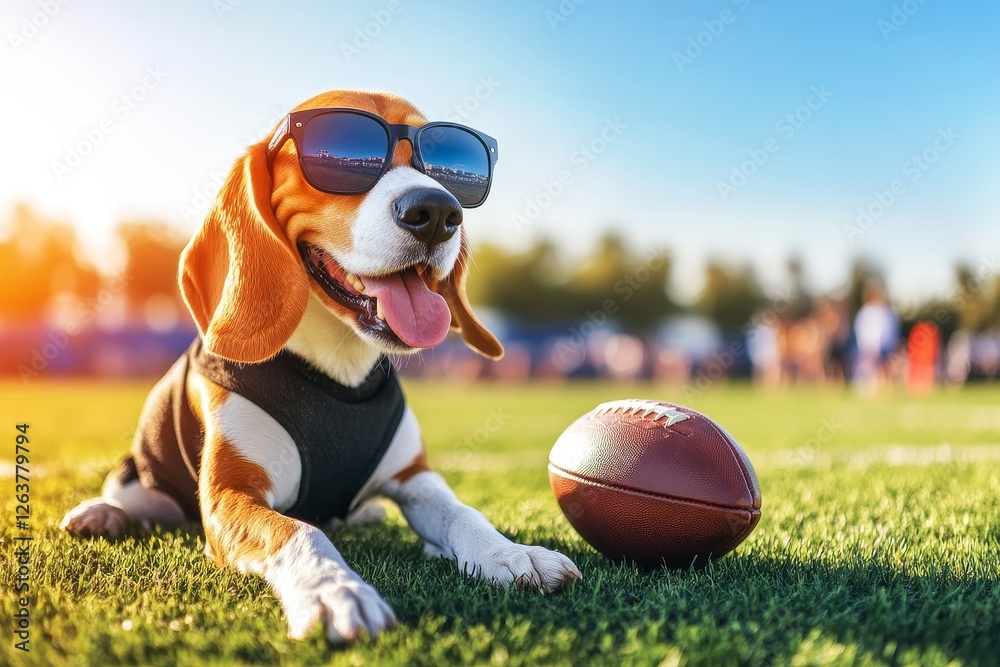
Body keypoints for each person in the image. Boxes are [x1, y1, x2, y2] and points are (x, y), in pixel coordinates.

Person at [852, 280, 899, 395]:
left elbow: (890, 329)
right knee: (875, 368)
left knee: (884, 367)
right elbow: (865, 329)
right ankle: (875, 388)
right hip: (871, 345)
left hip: (883, 344)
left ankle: (885, 389)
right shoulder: (868, 311)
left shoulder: (885, 311)